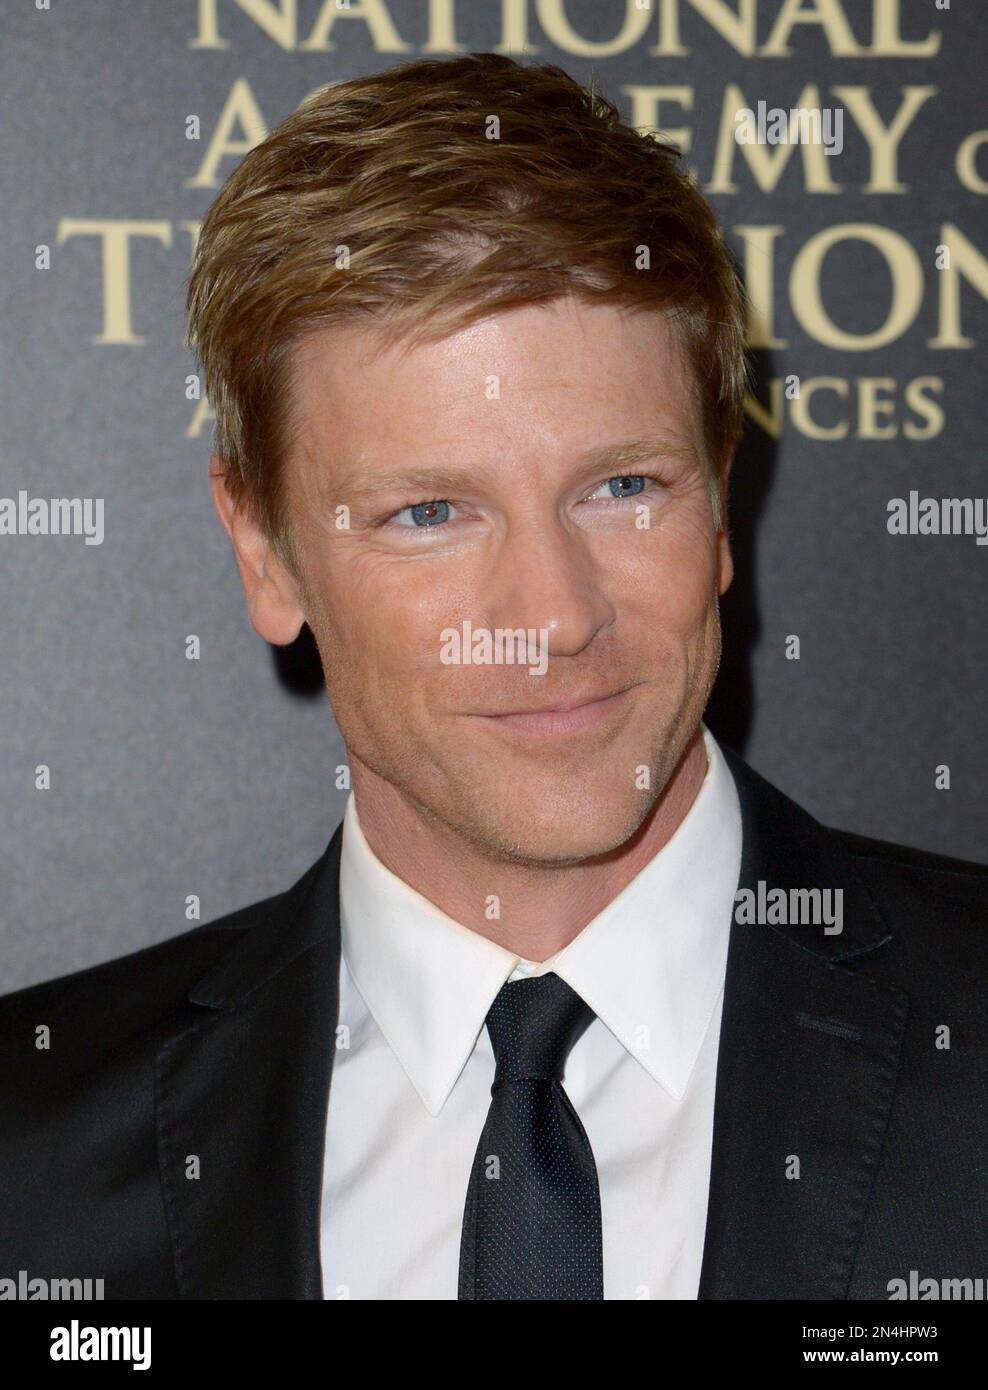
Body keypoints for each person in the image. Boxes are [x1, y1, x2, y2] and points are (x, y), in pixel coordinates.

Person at [1, 53, 985, 1302]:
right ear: (265, 550)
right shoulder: (29, 1164)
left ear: (722, 499)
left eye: (624, 488)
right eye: (428, 512)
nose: (555, 617)